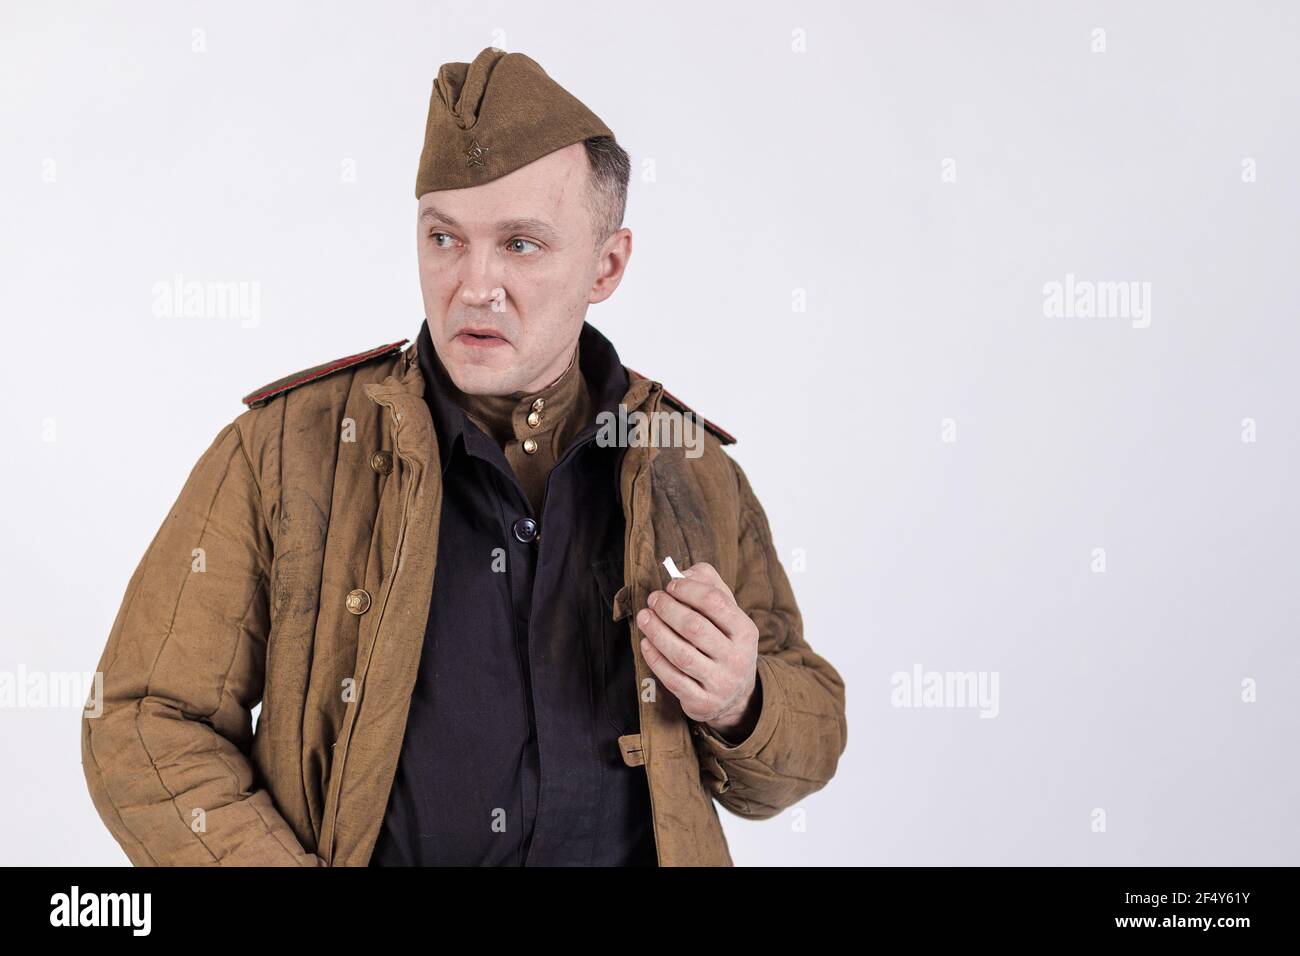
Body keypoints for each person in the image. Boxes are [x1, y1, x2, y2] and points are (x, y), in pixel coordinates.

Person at [81, 47, 847, 867]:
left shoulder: (686, 464)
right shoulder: (282, 451)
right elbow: (141, 719)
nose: (474, 285)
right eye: (445, 238)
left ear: (608, 265)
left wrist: (742, 701)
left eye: (520, 245)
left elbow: (807, 740)